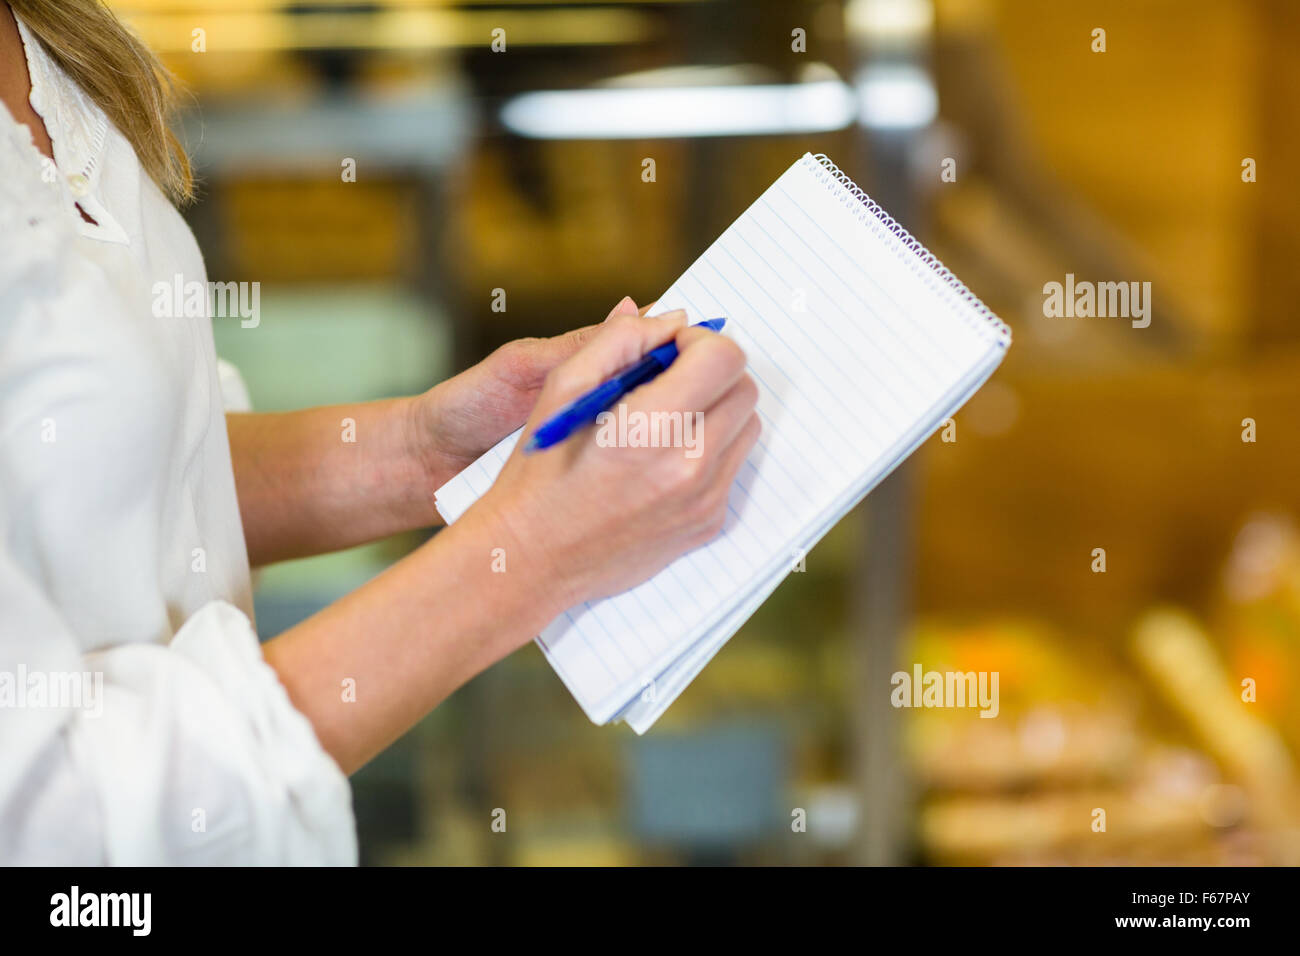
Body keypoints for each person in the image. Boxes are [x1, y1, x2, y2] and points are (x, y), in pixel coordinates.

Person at [0, 1, 760, 864]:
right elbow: (50, 817)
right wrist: (527, 556)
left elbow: (120, 473)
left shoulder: (46, 28)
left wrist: (428, 451)